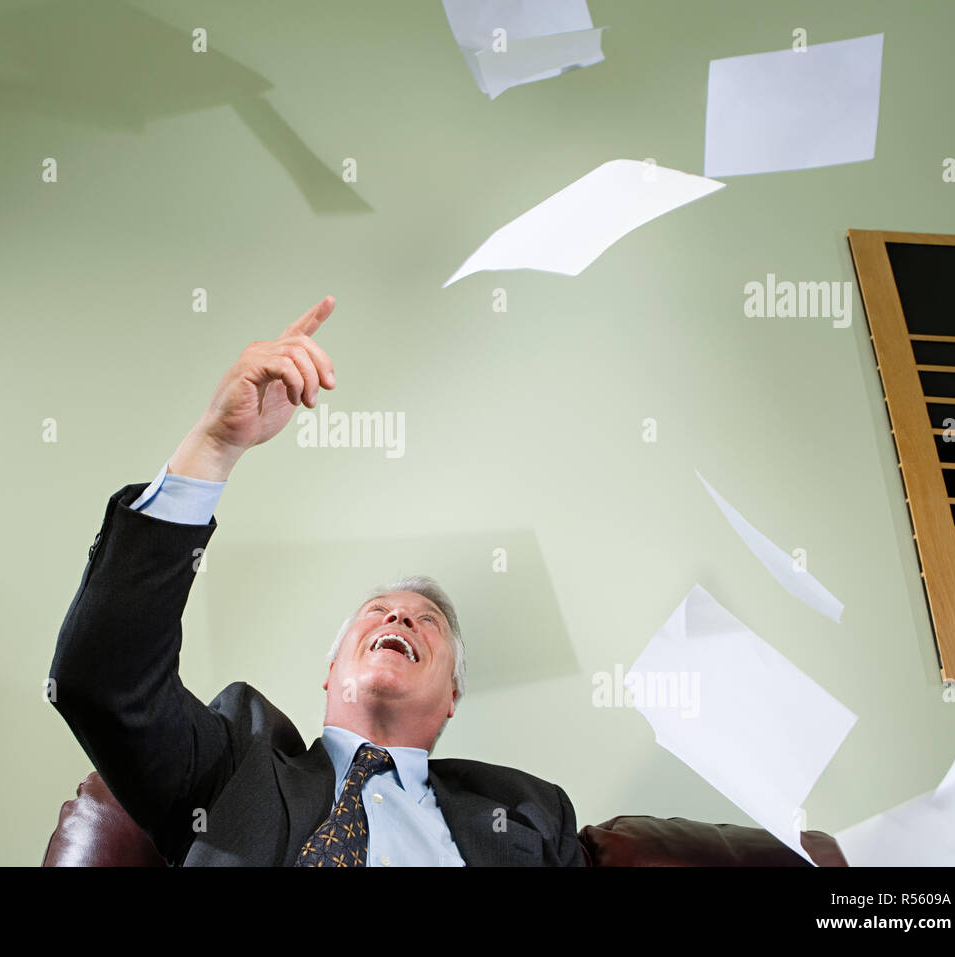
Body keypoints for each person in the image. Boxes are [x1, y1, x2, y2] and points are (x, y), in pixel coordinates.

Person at [48, 296, 587, 866]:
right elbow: (102, 680)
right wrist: (214, 446)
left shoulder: (529, 813)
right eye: (377, 611)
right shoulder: (234, 765)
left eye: (428, 622)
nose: (400, 617)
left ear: (453, 695)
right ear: (331, 672)